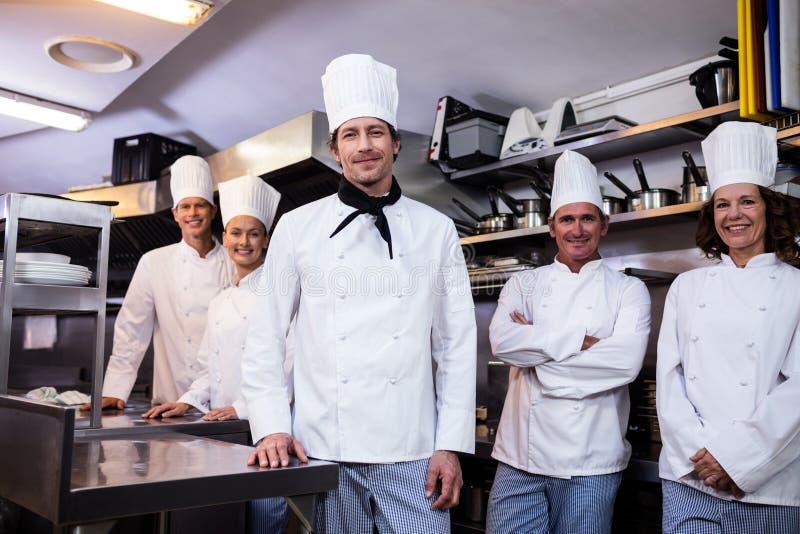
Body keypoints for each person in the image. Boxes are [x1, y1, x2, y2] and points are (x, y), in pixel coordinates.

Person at [240, 53, 477, 533]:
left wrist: (450, 444)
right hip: (325, 445)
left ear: (395, 144)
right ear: (335, 149)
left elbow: (455, 344)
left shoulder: (437, 230)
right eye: (351, 134)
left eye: (375, 133)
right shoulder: (296, 227)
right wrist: (270, 426)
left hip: (412, 449)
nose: (364, 146)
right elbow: (264, 335)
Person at [485, 149, 651, 534]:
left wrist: (535, 358)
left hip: (591, 463)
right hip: (519, 459)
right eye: (567, 220)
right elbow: (502, 343)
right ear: (551, 226)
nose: (577, 230)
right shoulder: (522, 283)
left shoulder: (629, 290)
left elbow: (624, 363)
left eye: (587, 218)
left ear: (604, 224)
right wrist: (583, 340)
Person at [657, 121, 800, 533]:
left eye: (746, 202)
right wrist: (700, 457)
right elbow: (670, 379)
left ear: (769, 208)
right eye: (722, 204)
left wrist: (735, 460)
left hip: (767, 483)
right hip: (689, 477)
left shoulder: (795, 288)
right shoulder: (687, 286)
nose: (733, 215)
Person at [142, 174, 290, 533]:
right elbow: (210, 367)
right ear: (224, 239)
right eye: (236, 233)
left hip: (264, 429)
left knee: (263, 516)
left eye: (253, 233)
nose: (244, 242)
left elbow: (289, 366)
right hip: (226, 435)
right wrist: (189, 400)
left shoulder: (281, 294)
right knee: (226, 519)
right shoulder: (221, 300)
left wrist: (241, 408)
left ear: (266, 240)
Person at [82, 155, 234, 411]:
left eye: (200, 205)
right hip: (172, 399)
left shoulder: (235, 263)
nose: (193, 213)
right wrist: (114, 390)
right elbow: (132, 331)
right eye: (185, 207)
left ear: (213, 211)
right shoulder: (154, 262)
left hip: (225, 405)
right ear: (175, 214)